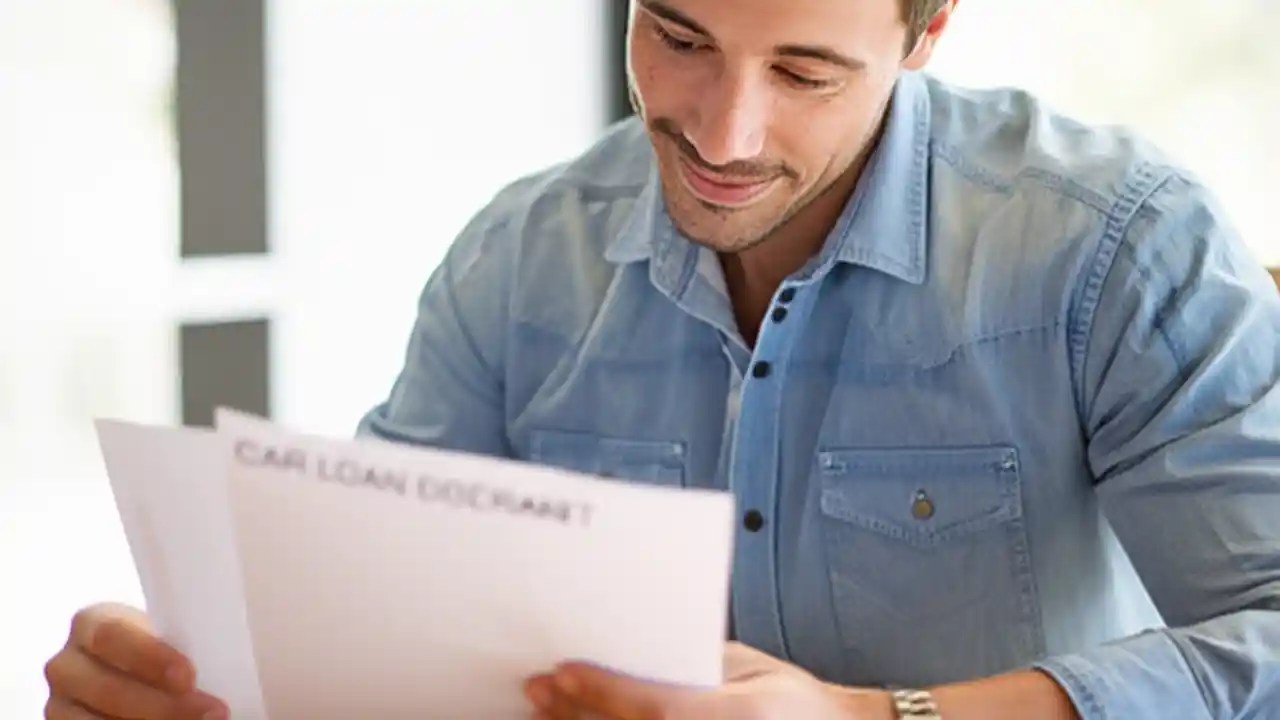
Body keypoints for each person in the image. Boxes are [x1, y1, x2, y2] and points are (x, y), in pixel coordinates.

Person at [43, 0, 1280, 718]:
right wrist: (208, 683)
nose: (721, 134)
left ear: (924, 30)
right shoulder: (520, 261)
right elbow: (381, 646)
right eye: (678, 37)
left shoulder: (1117, 244)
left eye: (802, 71)